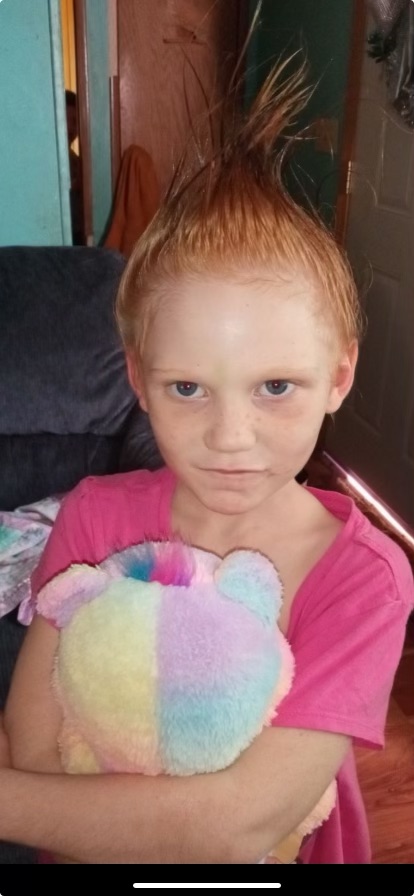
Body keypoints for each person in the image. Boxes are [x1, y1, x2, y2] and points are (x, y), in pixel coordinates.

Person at [1, 58, 413, 865]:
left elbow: (240, 826)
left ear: (338, 377)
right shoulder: (94, 515)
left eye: (276, 387)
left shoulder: (366, 581)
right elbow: (33, 736)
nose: (230, 437)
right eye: (187, 387)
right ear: (137, 380)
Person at [65, 89, 84, 245]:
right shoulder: (53, 160)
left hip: (77, 232)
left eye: (75, 121)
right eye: (67, 120)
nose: (71, 127)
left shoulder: (75, 159)